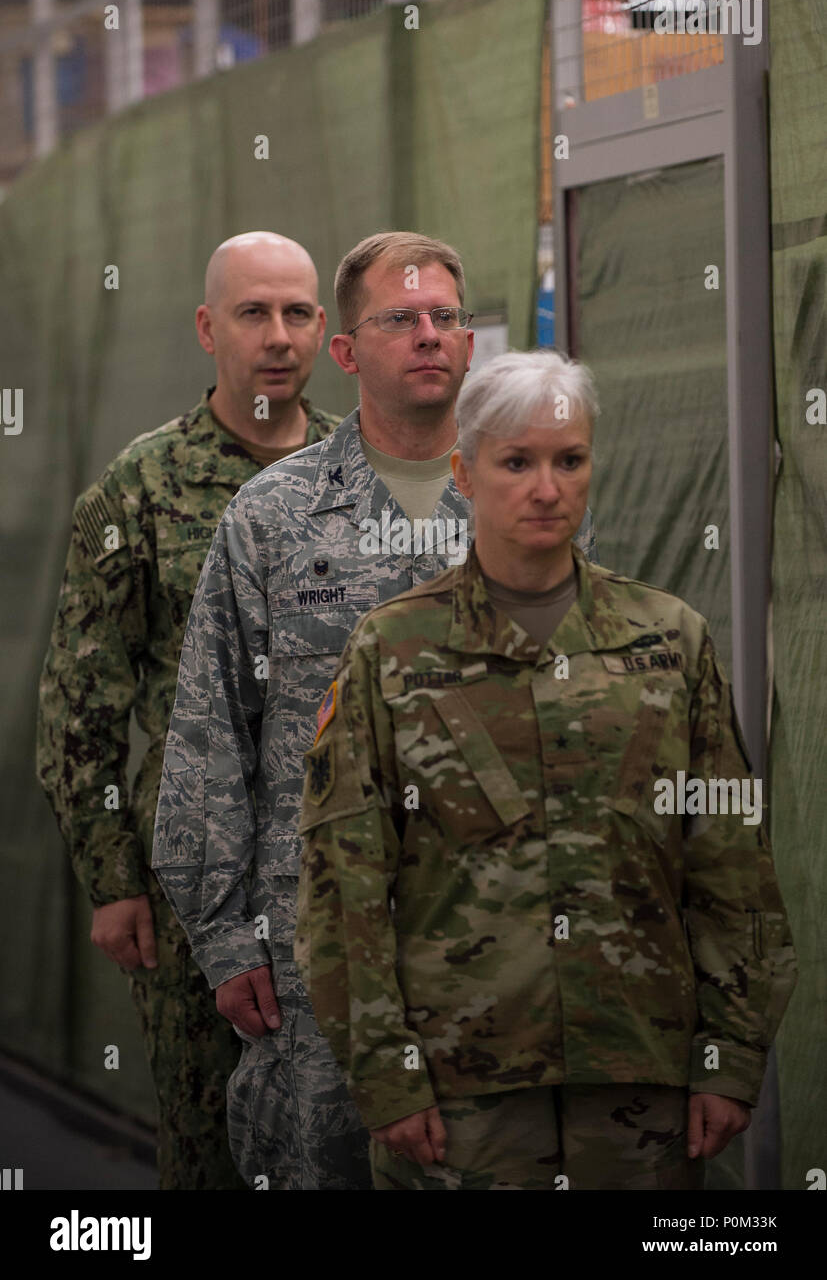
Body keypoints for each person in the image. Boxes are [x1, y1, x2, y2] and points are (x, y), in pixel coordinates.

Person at [152, 233, 600, 1191]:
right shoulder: (272, 518)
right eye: (399, 319)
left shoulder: (532, 501)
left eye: (446, 317)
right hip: (319, 948)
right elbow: (205, 736)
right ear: (348, 352)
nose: (428, 336)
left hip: (505, 942)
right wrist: (225, 939)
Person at [295, 349, 797, 1192]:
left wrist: (728, 1056)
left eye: (569, 460)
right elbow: (342, 883)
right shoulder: (393, 650)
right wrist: (384, 1074)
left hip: (638, 1082)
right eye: (516, 462)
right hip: (464, 1090)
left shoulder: (667, 640)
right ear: (463, 472)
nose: (546, 487)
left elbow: (729, 864)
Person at [36, 232, 339, 1190]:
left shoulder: (356, 475)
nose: (278, 335)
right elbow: (80, 706)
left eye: (296, 312)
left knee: (341, 1135)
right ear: (210, 328)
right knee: (213, 1138)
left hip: (341, 860)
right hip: (199, 876)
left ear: (323, 328)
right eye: (253, 312)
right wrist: (113, 877)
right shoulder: (140, 488)